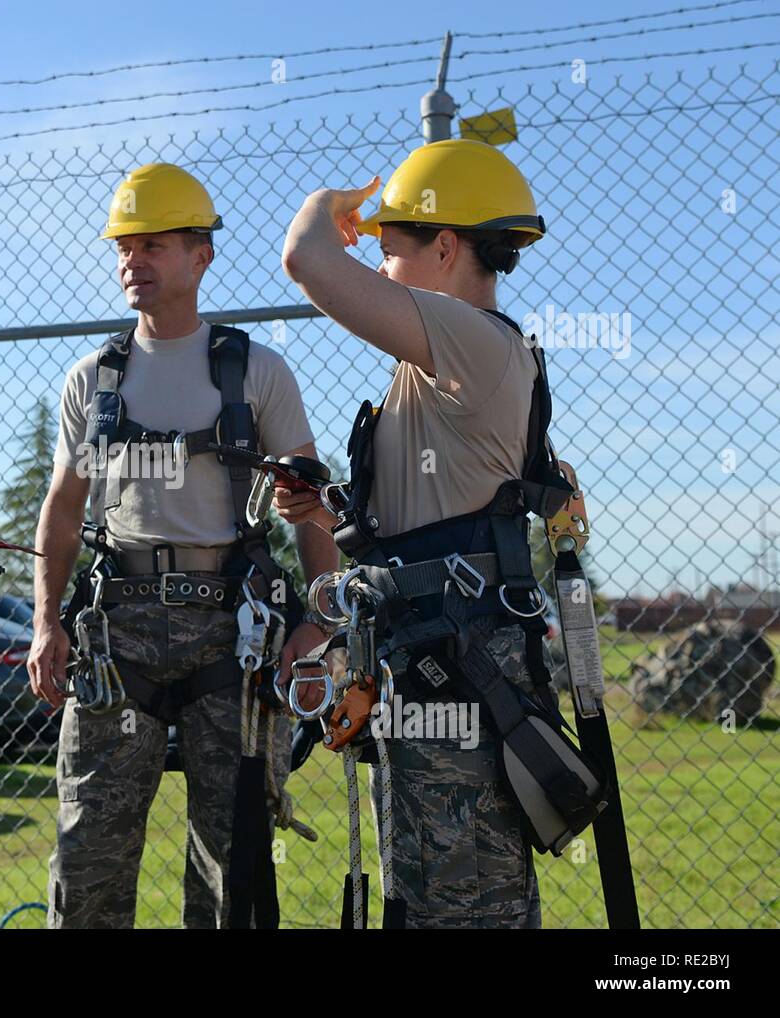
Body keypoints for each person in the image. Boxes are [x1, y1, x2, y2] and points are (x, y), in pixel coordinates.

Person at [27, 162, 339, 928]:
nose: (134, 261)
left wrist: (320, 623)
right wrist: (45, 621)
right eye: (124, 247)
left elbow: (308, 507)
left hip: (230, 636)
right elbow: (61, 512)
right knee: (88, 856)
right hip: (116, 631)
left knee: (234, 861)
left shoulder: (254, 371)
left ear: (201, 256)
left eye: (155, 245)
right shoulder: (92, 380)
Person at [279, 139, 559, 928]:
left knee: (461, 900)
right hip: (429, 658)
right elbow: (433, 534)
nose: (381, 269)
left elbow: (308, 259)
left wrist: (329, 210)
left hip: (458, 668)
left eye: (390, 248)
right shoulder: (435, 370)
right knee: (429, 889)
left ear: (444, 246)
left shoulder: (475, 338)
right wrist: (326, 515)